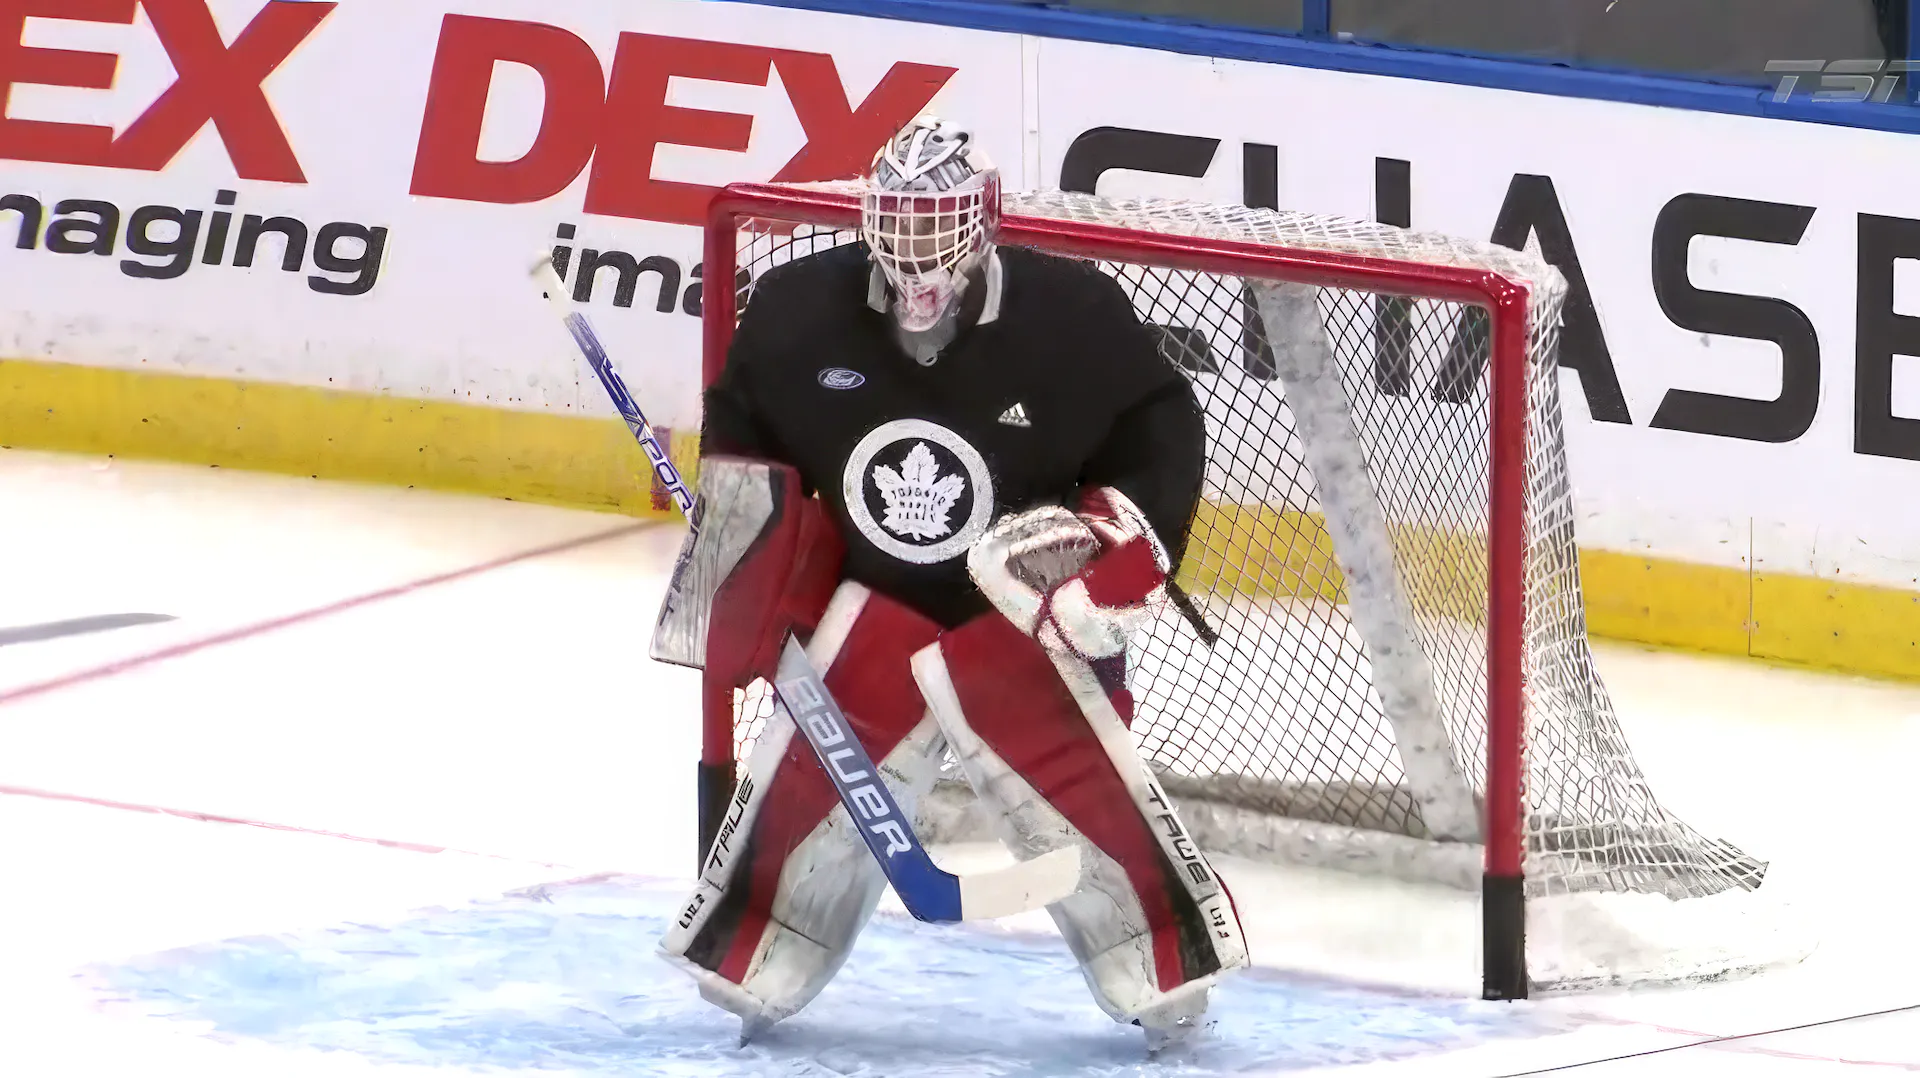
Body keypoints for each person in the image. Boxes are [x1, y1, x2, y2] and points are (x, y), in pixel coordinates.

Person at [652, 116, 1247, 1050]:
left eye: (938, 238)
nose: (919, 270)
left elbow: (1157, 423)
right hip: (867, 606)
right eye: (902, 237)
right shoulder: (796, 311)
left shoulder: (1071, 319)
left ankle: (1162, 954)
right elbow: (744, 438)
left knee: (1084, 800)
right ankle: (764, 938)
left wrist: (1118, 535)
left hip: (1014, 617)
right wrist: (747, 547)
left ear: (984, 223)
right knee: (768, 902)